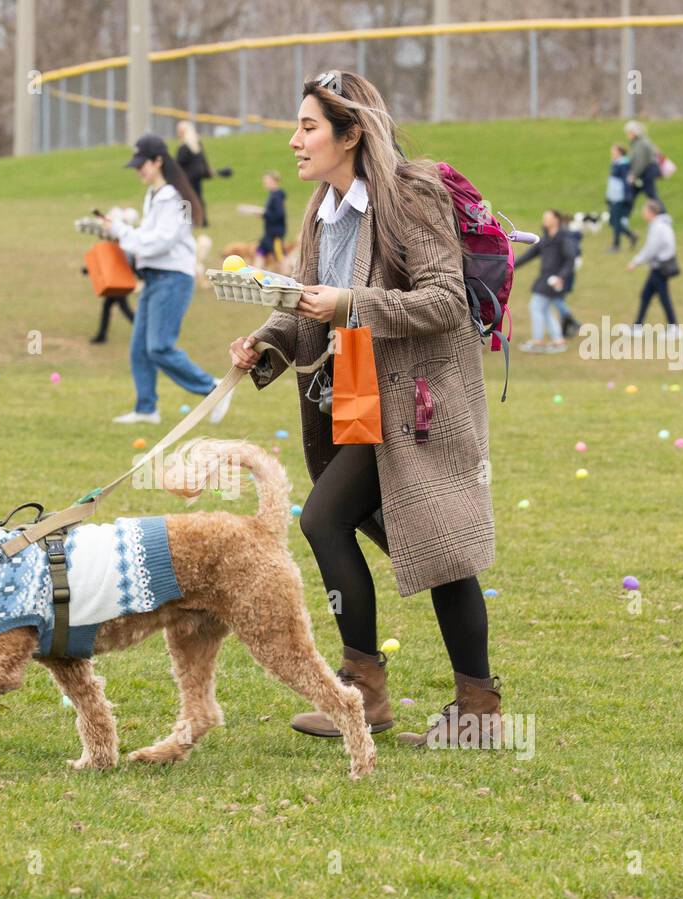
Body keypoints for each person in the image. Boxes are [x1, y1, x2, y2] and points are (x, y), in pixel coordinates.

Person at [228, 70, 502, 748]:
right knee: (430, 548)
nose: (294, 141)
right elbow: (305, 308)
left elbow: (445, 301)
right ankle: (462, 705)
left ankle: (377, 692)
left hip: (421, 403)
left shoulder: (410, 196)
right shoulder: (322, 209)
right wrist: (263, 346)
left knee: (334, 519)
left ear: (350, 134)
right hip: (360, 400)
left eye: (308, 127)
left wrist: (355, 306)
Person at [101, 133, 233, 426]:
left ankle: (213, 389)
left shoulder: (173, 198)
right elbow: (146, 240)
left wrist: (122, 232)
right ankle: (146, 409)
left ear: (158, 161)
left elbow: (158, 243)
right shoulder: (154, 196)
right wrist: (117, 231)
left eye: (142, 165)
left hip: (173, 278)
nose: (138, 171)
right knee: (140, 348)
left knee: (159, 347)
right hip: (154, 278)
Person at [514, 209, 576, 352]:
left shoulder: (564, 239)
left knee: (535, 306)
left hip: (554, 280)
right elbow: (529, 255)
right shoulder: (546, 240)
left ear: (556, 220)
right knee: (545, 309)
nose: (545, 220)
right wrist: (511, 265)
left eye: (547, 218)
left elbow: (570, 260)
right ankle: (558, 341)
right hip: (545, 278)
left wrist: (561, 277)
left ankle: (538, 341)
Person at [626, 199, 677, 330]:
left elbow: (651, 249)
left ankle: (674, 327)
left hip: (659, 267)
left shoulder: (658, 227)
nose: (643, 213)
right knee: (646, 295)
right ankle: (638, 326)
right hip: (659, 266)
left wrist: (635, 262)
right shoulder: (661, 224)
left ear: (651, 212)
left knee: (663, 297)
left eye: (645, 210)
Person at [175, 121, 213, 227]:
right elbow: (203, 160)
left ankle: (186, 221)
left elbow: (178, 164)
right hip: (197, 176)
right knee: (198, 198)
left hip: (187, 178)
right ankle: (203, 220)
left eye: (180, 131)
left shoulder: (184, 148)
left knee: (185, 199)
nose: (178, 133)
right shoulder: (196, 144)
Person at [606, 143, 638, 252]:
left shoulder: (623, 164)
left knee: (616, 221)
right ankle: (631, 235)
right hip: (613, 196)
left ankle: (616, 245)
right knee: (613, 221)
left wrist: (627, 195)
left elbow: (626, 181)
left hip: (619, 197)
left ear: (620, 152)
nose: (612, 153)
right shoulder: (616, 163)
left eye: (614, 151)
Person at [254, 170, 287, 268]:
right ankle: (254, 276)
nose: (265, 183)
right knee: (260, 252)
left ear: (274, 181)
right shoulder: (272, 195)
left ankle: (290, 275)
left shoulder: (277, 196)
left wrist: (264, 214)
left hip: (275, 234)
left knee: (280, 257)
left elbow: (279, 214)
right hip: (268, 234)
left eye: (267, 181)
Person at [624, 120, 661, 204]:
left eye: (628, 133)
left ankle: (661, 214)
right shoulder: (640, 141)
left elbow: (641, 161)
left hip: (647, 172)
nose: (628, 135)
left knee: (651, 195)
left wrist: (634, 174)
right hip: (646, 171)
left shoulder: (640, 143)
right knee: (648, 194)